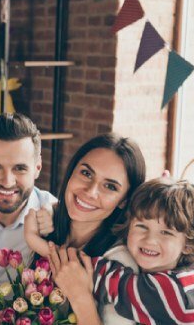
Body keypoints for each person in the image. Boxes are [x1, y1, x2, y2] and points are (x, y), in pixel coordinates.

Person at [41, 177, 194, 325]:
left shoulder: (170, 292)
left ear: (188, 244)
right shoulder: (183, 270)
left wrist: (38, 243)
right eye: (141, 226)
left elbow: (84, 271)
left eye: (166, 232)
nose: (149, 240)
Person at [24, 133, 146, 324]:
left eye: (110, 186)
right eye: (86, 173)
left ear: (124, 201)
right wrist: (33, 235)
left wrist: (81, 297)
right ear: (72, 171)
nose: (90, 191)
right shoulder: (50, 226)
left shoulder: (118, 264)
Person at [0, 113, 56, 280]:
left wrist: (55, 211)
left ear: (37, 168)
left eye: (19, 168)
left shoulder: (55, 213)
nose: (7, 182)